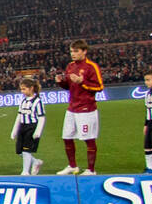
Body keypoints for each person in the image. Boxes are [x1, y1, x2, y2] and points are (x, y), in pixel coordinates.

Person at [55, 39, 102, 175]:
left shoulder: (91, 66)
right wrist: (61, 82)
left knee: (88, 138)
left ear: (84, 51)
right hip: (72, 107)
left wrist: (82, 82)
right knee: (66, 137)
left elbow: (99, 87)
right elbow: (69, 86)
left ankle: (91, 170)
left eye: (76, 51)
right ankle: (72, 166)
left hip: (86, 109)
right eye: (71, 51)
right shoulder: (70, 66)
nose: (73, 54)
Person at [11, 77, 46, 176]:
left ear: (31, 88)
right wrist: (14, 130)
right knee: (19, 151)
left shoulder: (37, 101)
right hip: (22, 127)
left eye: (24, 89)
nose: (22, 91)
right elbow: (19, 115)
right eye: (21, 89)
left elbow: (42, 117)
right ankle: (36, 162)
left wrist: (38, 131)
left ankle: (25, 171)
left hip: (31, 127)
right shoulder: (23, 101)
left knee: (26, 150)